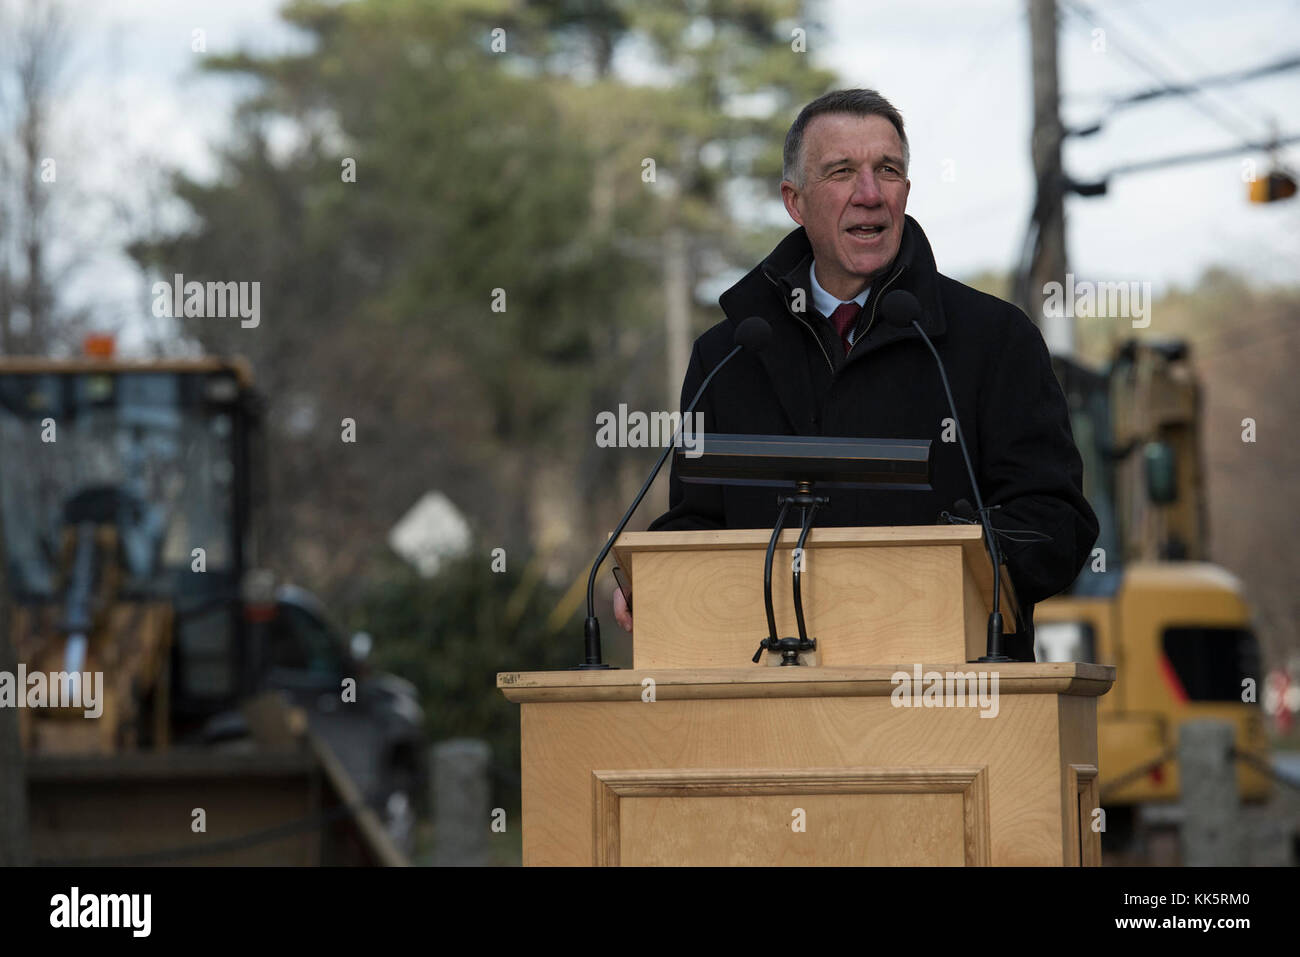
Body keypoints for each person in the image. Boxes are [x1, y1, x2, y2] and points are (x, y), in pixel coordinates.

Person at [613, 89, 1098, 662]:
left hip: (951, 702)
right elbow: (703, 520)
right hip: (769, 701)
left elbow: (1056, 525)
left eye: (887, 171)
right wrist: (655, 575)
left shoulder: (996, 339)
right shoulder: (730, 351)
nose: (869, 195)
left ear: (906, 192)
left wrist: (950, 551)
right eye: (842, 172)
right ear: (795, 201)